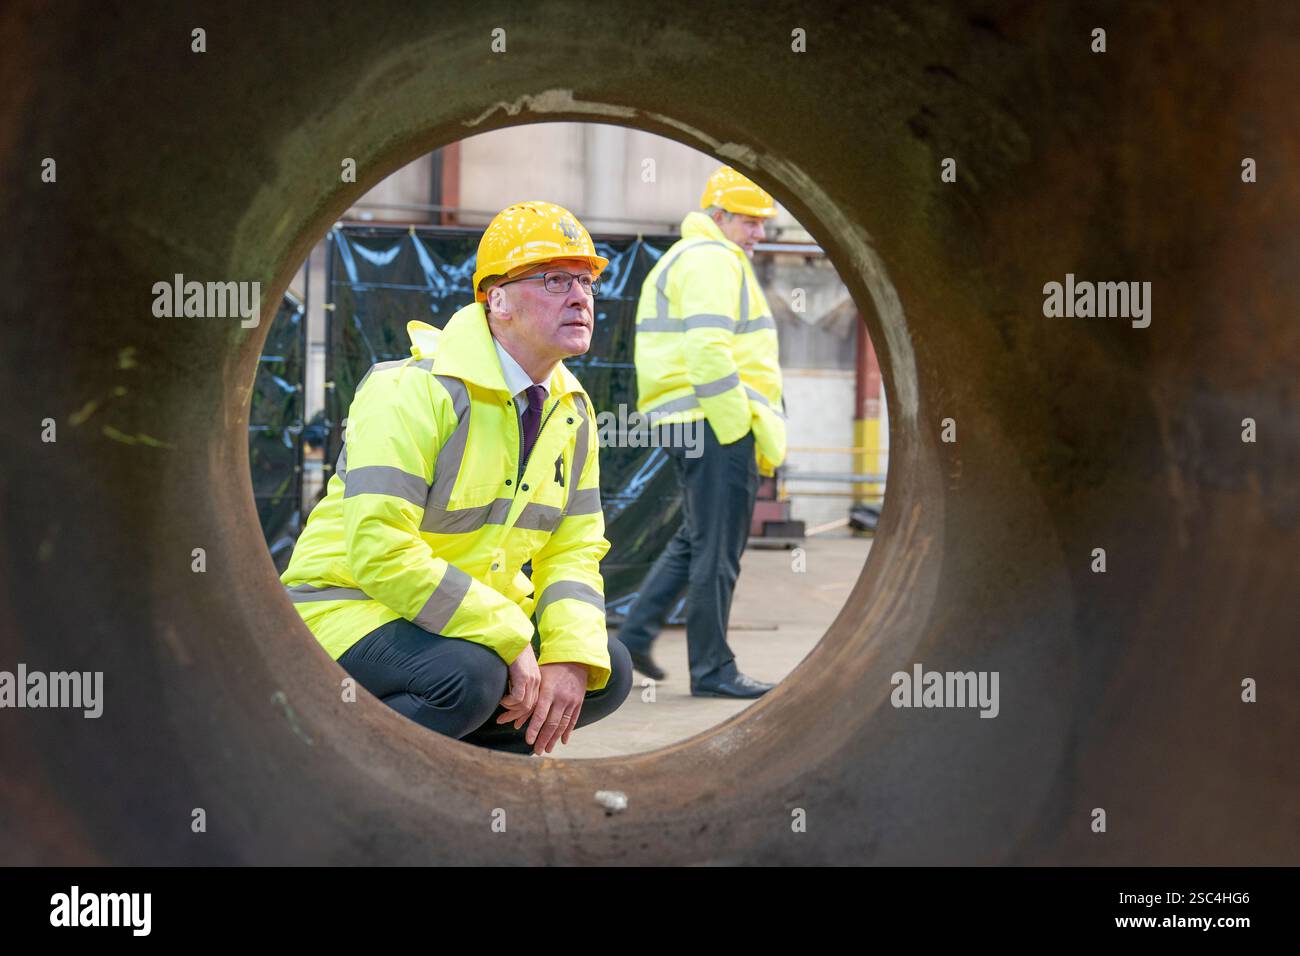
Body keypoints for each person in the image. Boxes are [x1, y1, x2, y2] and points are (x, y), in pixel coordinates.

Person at [281, 201, 632, 755]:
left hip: (457, 619)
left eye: (587, 281)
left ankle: (473, 791)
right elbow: (380, 550)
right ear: (497, 300)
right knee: (469, 677)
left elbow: (574, 548)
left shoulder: (572, 411)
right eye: (554, 279)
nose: (580, 296)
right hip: (345, 607)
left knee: (599, 670)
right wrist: (507, 633)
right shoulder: (412, 391)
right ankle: (322, 772)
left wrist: (567, 652)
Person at [616, 166, 787, 698]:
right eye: (750, 222)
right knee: (719, 550)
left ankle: (635, 635)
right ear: (719, 217)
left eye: (762, 223)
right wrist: (737, 427)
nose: (759, 233)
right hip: (715, 422)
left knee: (696, 539)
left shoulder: (689, 257)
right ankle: (713, 671)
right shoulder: (713, 259)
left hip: (689, 420)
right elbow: (709, 349)